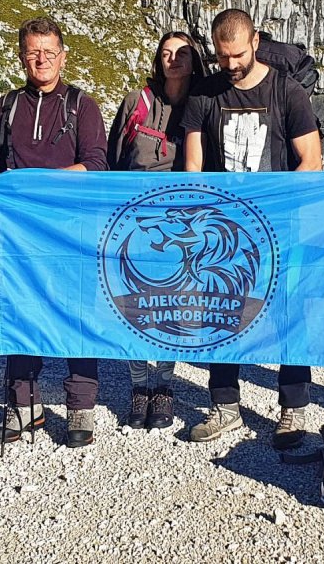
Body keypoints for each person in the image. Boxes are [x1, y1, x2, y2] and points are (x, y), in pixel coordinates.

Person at [181, 9, 322, 450]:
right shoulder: (205, 94)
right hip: (226, 230)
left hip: (280, 227)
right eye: (221, 57)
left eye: (237, 55)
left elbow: (311, 159)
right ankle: (225, 406)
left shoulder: (287, 90)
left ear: (255, 41)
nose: (229, 65)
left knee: (286, 315)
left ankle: (292, 410)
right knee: (223, 315)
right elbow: (193, 162)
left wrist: (276, 207)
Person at [0, 17, 109, 448]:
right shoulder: (4, 107)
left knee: (77, 315)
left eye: (49, 52)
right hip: (20, 234)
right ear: (21, 56)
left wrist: (37, 185)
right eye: (33, 52)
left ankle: (80, 409)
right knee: (21, 313)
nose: (42, 60)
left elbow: (96, 164)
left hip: (72, 232)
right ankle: (23, 407)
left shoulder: (82, 106)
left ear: (63, 56)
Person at [107, 31, 206, 430]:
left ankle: (163, 386)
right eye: (165, 53)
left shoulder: (204, 105)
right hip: (136, 220)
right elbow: (114, 157)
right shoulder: (137, 101)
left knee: (169, 307)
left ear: (194, 60)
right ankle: (137, 386)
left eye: (181, 53)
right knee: (134, 305)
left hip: (182, 224)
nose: (173, 59)